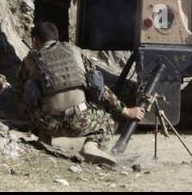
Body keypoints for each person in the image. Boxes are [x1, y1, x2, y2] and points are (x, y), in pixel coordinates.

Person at [15, 21, 144, 141]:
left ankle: (44, 137)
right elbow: (99, 85)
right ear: (56, 38)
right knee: (110, 122)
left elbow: (21, 93)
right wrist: (126, 111)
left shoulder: (30, 60)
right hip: (79, 121)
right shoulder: (75, 52)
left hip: (48, 124)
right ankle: (91, 146)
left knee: (32, 93)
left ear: (34, 40)